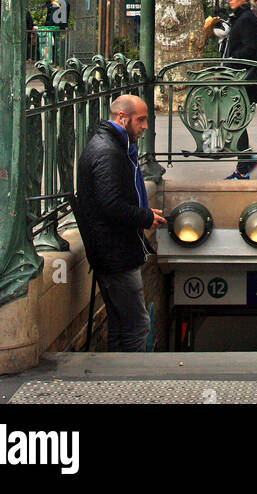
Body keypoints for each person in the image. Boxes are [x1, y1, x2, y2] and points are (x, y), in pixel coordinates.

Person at [75, 94, 166, 352]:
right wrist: (145, 217)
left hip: (112, 251)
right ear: (122, 118)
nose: (145, 126)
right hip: (116, 254)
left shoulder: (114, 146)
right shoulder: (109, 152)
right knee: (137, 326)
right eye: (141, 120)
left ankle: (116, 376)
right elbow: (111, 205)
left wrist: (144, 211)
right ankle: (131, 384)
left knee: (119, 323)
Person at [223, 0, 257, 179]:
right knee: (236, 120)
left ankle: (244, 165)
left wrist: (232, 57)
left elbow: (250, 48)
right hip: (238, 77)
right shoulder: (241, 17)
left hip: (243, 78)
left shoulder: (247, 18)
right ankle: (244, 163)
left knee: (235, 120)